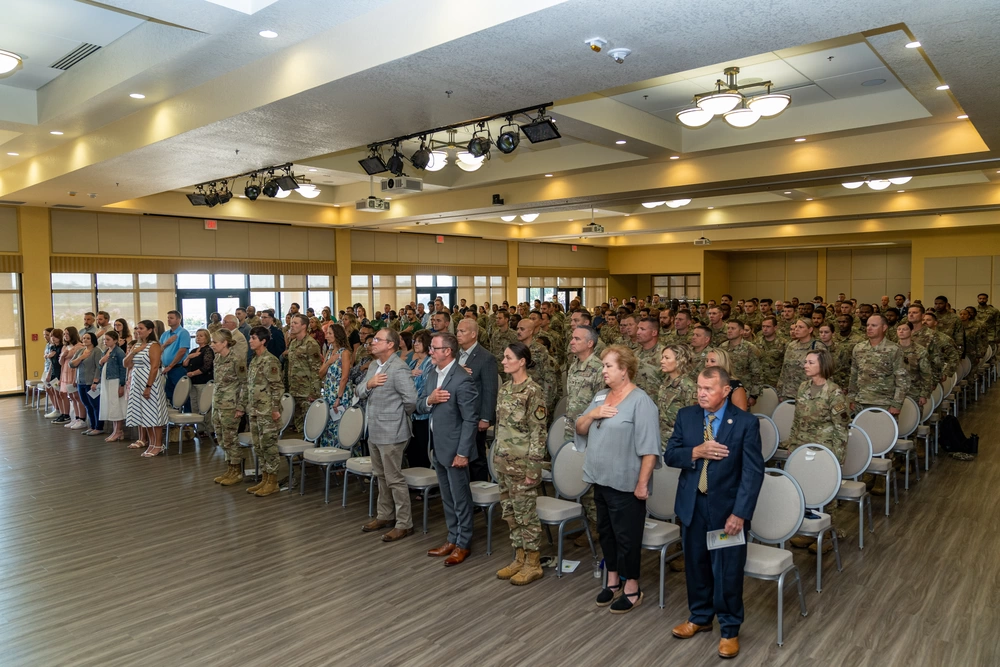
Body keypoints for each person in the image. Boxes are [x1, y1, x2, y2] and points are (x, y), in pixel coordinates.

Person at [665, 367, 765, 659]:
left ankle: (730, 629)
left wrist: (740, 513)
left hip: (726, 513)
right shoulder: (687, 416)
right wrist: (696, 452)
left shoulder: (745, 423)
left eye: (708, 389)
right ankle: (699, 617)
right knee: (695, 565)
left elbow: (752, 473)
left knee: (727, 572)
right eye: (699, 387)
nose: (701, 393)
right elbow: (671, 454)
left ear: (726, 391)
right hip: (693, 506)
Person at [575, 345, 661, 614]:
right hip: (600, 479)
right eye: (603, 366)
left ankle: (632, 586)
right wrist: (592, 414)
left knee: (627, 536)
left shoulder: (641, 401)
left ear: (624, 370)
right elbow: (579, 427)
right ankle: (612, 580)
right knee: (607, 533)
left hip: (626, 483)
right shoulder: (601, 397)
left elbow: (650, 449)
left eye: (608, 366)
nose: (603, 371)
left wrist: (643, 484)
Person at [417, 332, 479, 567]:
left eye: (434, 348)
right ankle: (452, 538)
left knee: (461, 498)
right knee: (447, 497)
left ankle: (463, 544)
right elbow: (421, 403)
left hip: (455, 450)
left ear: (447, 352)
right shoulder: (433, 373)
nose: (429, 351)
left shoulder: (462, 379)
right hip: (438, 446)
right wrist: (429, 401)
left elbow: (470, 420)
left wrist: (463, 453)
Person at [493, 342, 548, 586]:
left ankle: (533, 563)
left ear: (521, 361)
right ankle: (519, 556)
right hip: (504, 462)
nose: (503, 361)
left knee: (526, 515)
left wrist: (533, 468)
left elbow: (538, 433)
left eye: (507, 357)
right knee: (510, 514)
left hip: (523, 465)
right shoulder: (505, 389)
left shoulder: (533, 391)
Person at [357, 329, 418, 542]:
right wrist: (369, 384)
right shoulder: (374, 366)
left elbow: (411, 400)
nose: (372, 343)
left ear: (390, 345)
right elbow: (359, 390)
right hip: (374, 429)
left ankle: (404, 523)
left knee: (394, 479)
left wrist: (399, 417)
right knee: (380, 476)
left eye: (377, 340)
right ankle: (385, 515)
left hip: (393, 431)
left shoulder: (399, 368)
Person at [786, 349, 850, 554]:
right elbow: (796, 420)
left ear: (822, 365)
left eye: (810, 362)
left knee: (825, 493)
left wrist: (838, 459)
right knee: (804, 490)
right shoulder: (803, 387)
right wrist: (792, 446)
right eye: (805, 361)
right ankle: (809, 531)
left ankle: (828, 535)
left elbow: (841, 428)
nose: (805, 365)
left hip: (825, 450)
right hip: (803, 447)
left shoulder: (834, 392)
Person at [564, 325, 606, 546]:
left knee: (589, 480)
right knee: (576, 476)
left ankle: (596, 525)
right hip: (571, 428)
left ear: (590, 343)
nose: (572, 341)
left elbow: (602, 403)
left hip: (590, 432)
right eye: (572, 338)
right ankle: (585, 521)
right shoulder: (574, 366)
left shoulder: (599, 368)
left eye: (577, 338)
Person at [239, 326, 285, 497]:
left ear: (263, 341)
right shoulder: (255, 360)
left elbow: (277, 387)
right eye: (250, 338)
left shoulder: (270, 361)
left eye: (253, 338)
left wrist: (274, 409)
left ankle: (272, 482)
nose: (250, 341)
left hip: (267, 411)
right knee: (258, 446)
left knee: (269, 446)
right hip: (255, 410)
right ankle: (265, 479)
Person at [456, 319, 499, 483]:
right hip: (458, 414)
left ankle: (479, 495)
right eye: (458, 331)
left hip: (475, 415)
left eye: (462, 331)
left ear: (473, 334)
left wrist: (485, 417)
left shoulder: (485, 357)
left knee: (476, 457)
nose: (458, 334)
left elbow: (489, 389)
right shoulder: (456, 355)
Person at [124, 320, 169, 457]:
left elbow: (155, 367)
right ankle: (151, 443)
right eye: (137, 328)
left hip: (150, 383)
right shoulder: (137, 345)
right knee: (145, 415)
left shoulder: (153, 345)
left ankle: (158, 444)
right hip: (137, 383)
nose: (138, 330)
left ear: (150, 330)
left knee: (154, 414)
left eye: (141, 328)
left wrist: (148, 386)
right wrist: (133, 352)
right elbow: (126, 364)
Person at [210, 329, 248, 485]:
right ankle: (229, 468)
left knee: (230, 438)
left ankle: (237, 470)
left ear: (224, 343)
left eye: (214, 342)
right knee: (221, 437)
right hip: (218, 403)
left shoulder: (236, 359)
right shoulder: (217, 358)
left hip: (231, 405)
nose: (211, 345)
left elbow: (245, 384)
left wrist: (241, 407)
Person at [285, 313, 323, 434]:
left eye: (295, 323)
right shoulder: (293, 343)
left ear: (304, 326)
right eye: (292, 323)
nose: (292, 325)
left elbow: (316, 370)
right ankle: (302, 451)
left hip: (307, 392)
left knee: (310, 426)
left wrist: (314, 392)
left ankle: (311, 450)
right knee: (299, 426)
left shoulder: (311, 344)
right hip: (295, 390)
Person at [317, 324, 354, 448]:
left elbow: (345, 377)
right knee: (328, 425)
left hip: (340, 394)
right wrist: (329, 361)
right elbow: (320, 373)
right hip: (328, 393)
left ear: (337, 335)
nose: (326, 336)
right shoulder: (329, 352)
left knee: (340, 425)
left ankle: (342, 459)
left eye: (329, 333)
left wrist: (339, 397)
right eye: (326, 333)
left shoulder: (345, 353)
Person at [776, 318, 826, 401]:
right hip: (789, 392)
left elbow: (825, 372)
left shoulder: (817, 347)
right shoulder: (791, 345)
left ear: (810, 330)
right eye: (796, 327)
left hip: (809, 394)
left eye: (801, 327)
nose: (796, 329)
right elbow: (784, 369)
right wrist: (780, 390)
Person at [406, 330, 434, 469]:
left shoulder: (430, 363)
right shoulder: (413, 363)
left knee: (423, 447)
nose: (415, 344)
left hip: (424, 413)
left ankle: (425, 484)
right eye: (414, 341)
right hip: (411, 412)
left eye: (419, 341)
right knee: (412, 448)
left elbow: (425, 387)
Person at [97, 330, 127, 441]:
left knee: (116, 405)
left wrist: (121, 385)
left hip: (115, 381)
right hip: (107, 381)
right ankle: (116, 430)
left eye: (108, 339)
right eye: (105, 339)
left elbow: (123, 368)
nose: (105, 341)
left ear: (115, 340)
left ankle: (118, 430)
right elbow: (101, 367)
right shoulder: (105, 352)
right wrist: (101, 361)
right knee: (111, 405)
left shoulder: (118, 352)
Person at [73, 332, 104, 434]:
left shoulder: (97, 351)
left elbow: (98, 367)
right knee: (87, 404)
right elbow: (71, 364)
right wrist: (81, 357)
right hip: (80, 382)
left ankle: (98, 427)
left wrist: (95, 381)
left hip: (91, 383)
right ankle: (92, 425)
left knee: (95, 405)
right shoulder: (81, 351)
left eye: (88, 338)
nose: (85, 340)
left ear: (93, 340)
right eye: (84, 338)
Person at [160, 310, 191, 409]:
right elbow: (158, 349)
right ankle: (174, 420)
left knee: (182, 393)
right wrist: (166, 343)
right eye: (168, 318)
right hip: (166, 368)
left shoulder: (183, 333)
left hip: (177, 367)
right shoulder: (165, 334)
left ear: (178, 319)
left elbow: (182, 351)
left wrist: (171, 366)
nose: (169, 320)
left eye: (171, 318)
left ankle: (187, 421)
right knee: (170, 393)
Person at [59, 327, 86, 428]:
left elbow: (78, 362)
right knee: (71, 396)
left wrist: (75, 378)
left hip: (74, 372)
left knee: (77, 396)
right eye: (64, 334)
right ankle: (75, 417)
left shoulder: (79, 346)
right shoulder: (65, 347)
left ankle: (82, 419)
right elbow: (61, 363)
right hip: (65, 372)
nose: (65, 335)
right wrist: (62, 356)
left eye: (67, 333)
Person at [182, 329, 214, 414]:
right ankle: (198, 426)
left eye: (201, 336)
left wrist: (193, 373)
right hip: (192, 382)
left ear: (206, 337)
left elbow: (206, 366)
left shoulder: (207, 350)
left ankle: (205, 426)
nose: (198, 337)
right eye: (197, 335)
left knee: (203, 406)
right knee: (194, 405)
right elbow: (185, 364)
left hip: (203, 381)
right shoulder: (194, 350)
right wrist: (189, 357)